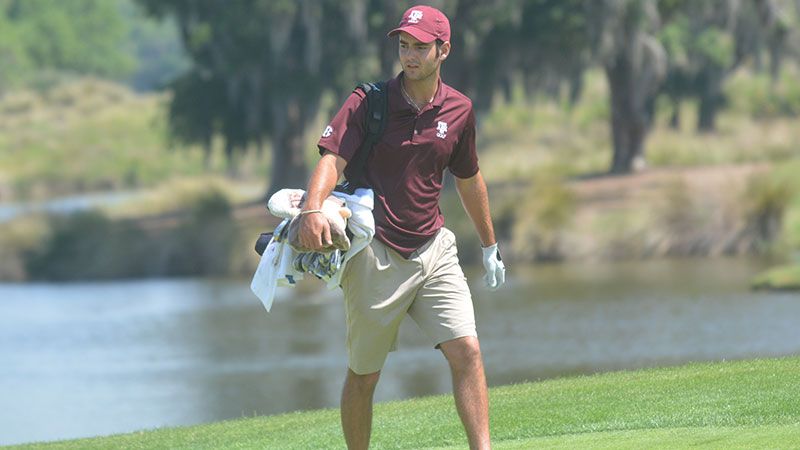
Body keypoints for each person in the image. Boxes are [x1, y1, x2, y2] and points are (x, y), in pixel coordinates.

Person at [295, 5, 505, 450]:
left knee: (467, 350)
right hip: (377, 252)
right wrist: (313, 209)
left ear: (443, 50)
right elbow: (332, 159)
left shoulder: (460, 109)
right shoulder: (368, 102)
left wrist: (489, 245)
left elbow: (468, 179)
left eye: (420, 47)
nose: (409, 55)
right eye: (403, 45)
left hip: (434, 249)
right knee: (365, 375)